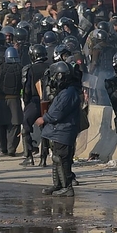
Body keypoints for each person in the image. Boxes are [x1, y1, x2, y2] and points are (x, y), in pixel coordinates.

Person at [34, 61, 80, 197]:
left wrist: (44, 118)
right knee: (56, 158)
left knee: (62, 159)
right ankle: (58, 184)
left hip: (64, 131)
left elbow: (58, 112)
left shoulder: (69, 93)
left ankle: (67, 186)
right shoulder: (64, 91)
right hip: (57, 131)